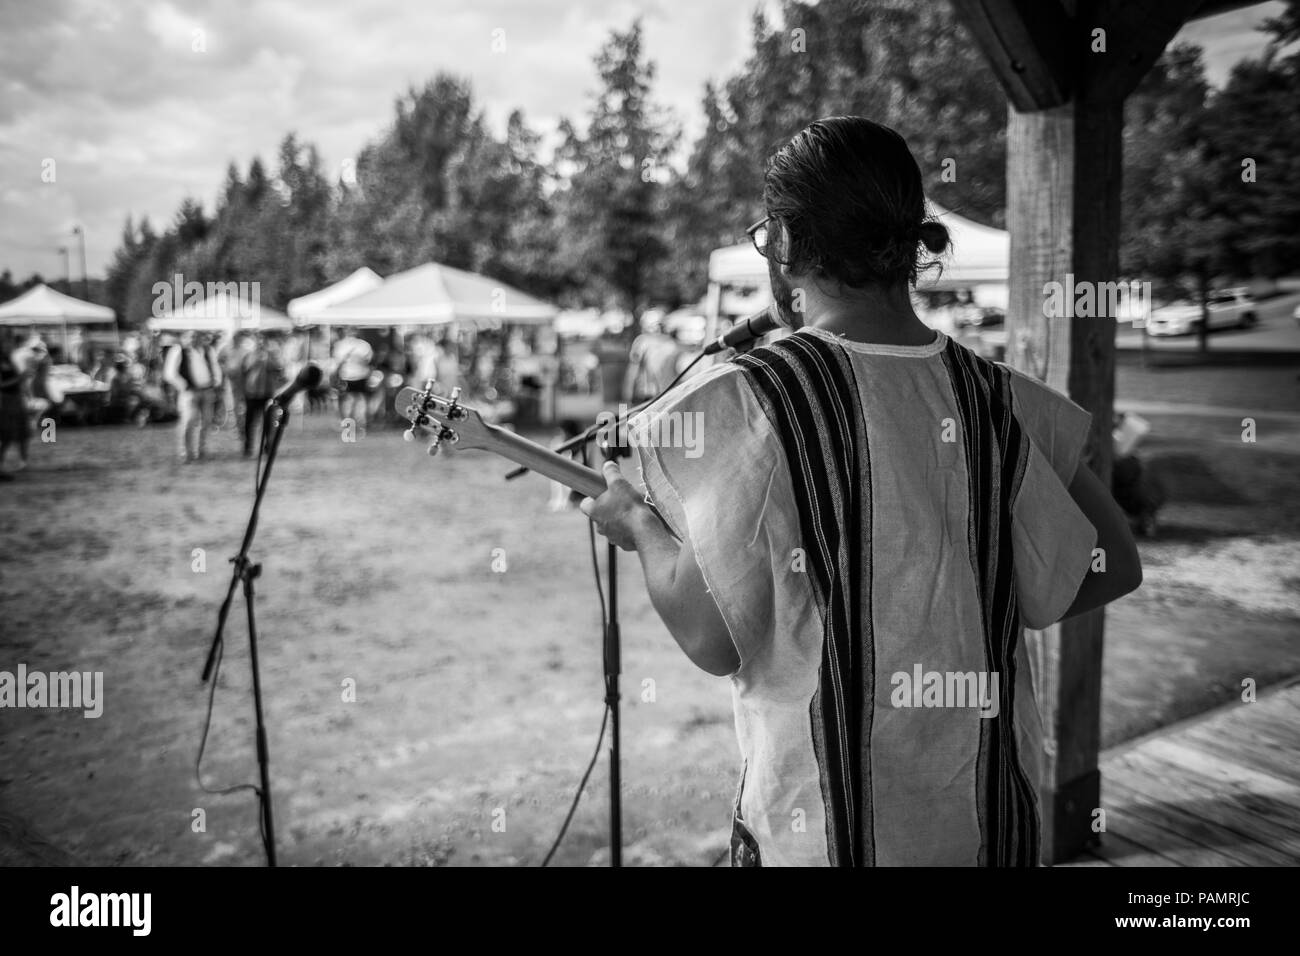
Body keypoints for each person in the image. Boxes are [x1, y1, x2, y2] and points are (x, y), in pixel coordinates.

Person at [579, 117, 1142, 867]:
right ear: (912, 244)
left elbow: (713, 640)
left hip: (822, 837)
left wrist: (638, 529)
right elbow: (1116, 561)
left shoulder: (755, 399)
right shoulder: (1005, 400)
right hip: (988, 827)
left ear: (782, 243)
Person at [163, 330, 223, 462]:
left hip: (207, 390)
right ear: (184, 338)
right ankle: (186, 452)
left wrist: (216, 382)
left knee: (206, 422)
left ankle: (202, 450)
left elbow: (215, 367)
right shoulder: (179, 351)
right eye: (190, 337)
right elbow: (169, 373)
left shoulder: (207, 351)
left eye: (195, 337)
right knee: (189, 421)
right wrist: (182, 385)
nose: (193, 340)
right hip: (190, 392)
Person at [238, 334, 286, 458]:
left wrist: (269, 358)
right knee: (249, 422)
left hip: (267, 393)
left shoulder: (271, 355)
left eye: (262, 342)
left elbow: (279, 368)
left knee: (268, 423)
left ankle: (268, 446)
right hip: (252, 393)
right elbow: (244, 370)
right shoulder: (249, 356)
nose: (260, 344)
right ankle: (248, 447)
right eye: (257, 342)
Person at [623, 314, 682, 404]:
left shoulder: (643, 342)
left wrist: (628, 394)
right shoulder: (673, 345)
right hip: (668, 394)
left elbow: (634, 370)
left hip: (649, 394)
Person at [332, 330, 373, 434]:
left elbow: (337, 363)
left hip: (347, 376)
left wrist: (335, 376)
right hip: (361, 375)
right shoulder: (364, 345)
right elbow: (369, 360)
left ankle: (348, 426)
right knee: (361, 400)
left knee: (348, 401)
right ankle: (362, 425)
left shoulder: (341, 345)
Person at [0, 332, 30, 476]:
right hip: (5, 400)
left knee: (22, 430)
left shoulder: (9, 359)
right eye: (7, 343)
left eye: (10, 343)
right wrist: (19, 378)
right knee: (7, 433)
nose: (9, 346)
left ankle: (24, 461)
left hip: (16, 397)